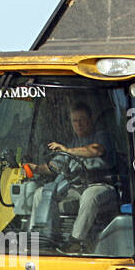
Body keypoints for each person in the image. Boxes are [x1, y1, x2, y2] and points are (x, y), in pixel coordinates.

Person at [22, 103, 121, 252]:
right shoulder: (73, 142)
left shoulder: (102, 136)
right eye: (75, 121)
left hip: (102, 186)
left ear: (91, 119)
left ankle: (75, 241)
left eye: (82, 119)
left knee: (89, 196)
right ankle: (43, 239)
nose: (78, 124)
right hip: (77, 187)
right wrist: (35, 168)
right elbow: (54, 167)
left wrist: (67, 150)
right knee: (41, 193)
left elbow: (96, 150)